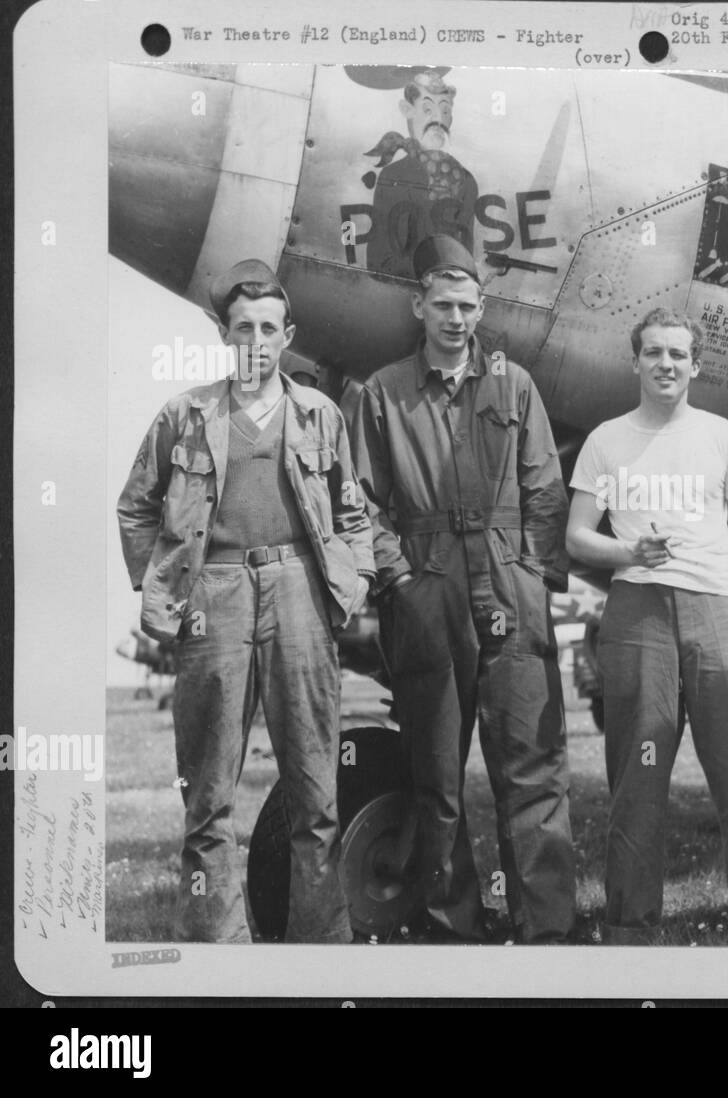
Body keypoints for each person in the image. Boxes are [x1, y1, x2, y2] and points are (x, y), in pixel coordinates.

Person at [117, 259, 374, 942]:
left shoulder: (318, 414)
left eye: (268, 327)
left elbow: (353, 513)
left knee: (316, 791)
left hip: (298, 593)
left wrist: (355, 580)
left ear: (287, 335)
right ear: (224, 336)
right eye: (241, 328)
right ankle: (216, 951)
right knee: (208, 795)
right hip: (216, 596)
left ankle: (320, 950)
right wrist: (168, 587)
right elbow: (136, 508)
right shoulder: (186, 415)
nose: (255, 340)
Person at [349, 234, 576, 943]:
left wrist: (534, 577)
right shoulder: (382, 393)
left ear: (482, 309)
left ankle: (547, 925)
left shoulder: (515, 385)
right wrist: (402, 582)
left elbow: (546, 489)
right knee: (437, 771)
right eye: (441, 304)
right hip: (428, 587)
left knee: (531, 762)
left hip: (510, 585)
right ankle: (455, 924)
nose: (455, 318)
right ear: (419, 306)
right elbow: (360, 503)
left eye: (466, 305)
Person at [567, 307, 728, 944]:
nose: (667, 364)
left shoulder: (724, 436)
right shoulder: (607, 440)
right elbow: (579, 535)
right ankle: (631, 929)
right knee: (638, 776)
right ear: (635, 360)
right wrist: (627, 554)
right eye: (655, 352)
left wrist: (718, 561)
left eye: (678, 355)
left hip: (721, 610)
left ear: (697, 365)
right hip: (638, 614)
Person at [366, 69, 479, 279]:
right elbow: (378, 257)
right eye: (427, 109)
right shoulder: (392, 176)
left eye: (445, 111)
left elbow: (464, 260)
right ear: (407, 110)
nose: (438, 119)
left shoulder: (466, 182)